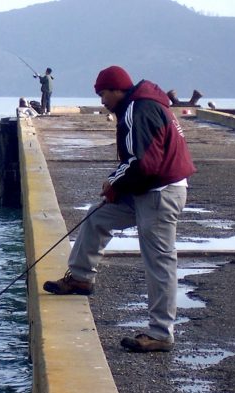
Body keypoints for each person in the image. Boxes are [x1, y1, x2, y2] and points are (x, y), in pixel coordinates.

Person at [43, 65, 197, 353]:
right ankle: (80, 278)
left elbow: (143, 163)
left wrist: (114, 182)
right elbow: (145, 162)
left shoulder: (136, 109)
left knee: (159, 262)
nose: (102, 101)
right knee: (97, 217)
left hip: (160, 194)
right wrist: (119, 184)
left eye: (103, 94)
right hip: (148, 189)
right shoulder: (145, 105)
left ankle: (161, 333)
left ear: (117, 90)